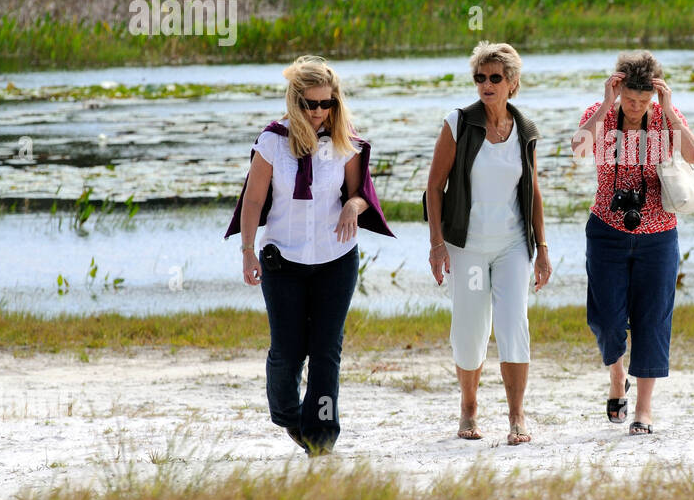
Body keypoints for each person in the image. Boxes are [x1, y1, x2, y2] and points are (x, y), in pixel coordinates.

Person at [225, 55, 395, 456]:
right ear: (294, 102)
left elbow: (359, 194)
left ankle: (321, 438)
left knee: (325, 350)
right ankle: (288, 417)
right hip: (282, 259)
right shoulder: (271, 142)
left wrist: (354, 207)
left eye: (327, 104)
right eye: (311, 104)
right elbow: (252, 201)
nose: (319, 112)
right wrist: (248, 251)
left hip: (336, 259)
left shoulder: (344, 141)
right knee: (287, 352)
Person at [424, 41, 552, 445]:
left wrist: (542, 248)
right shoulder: (459, 123)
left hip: (513, 245)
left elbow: (532, 188)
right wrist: (437, 244)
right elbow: (434, 186)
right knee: (470, 326)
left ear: (512, 83)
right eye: (480, 77)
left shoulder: (525, 130)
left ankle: (517, 416)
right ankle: (469, 407)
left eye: (495, 77)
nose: (486, 84)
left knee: (514, 324)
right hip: (470, 247)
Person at [573, 50, 694, 434]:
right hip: (607, 231)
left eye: (642, 101)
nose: (635, 107)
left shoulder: (663, 117)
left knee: (653, 319)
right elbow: (578, 150)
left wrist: (669, 108)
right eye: (630, 99)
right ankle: (617, 377)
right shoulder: (602, 112)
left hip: (658, 234)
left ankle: (643, 410)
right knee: (607, 318)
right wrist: (608, 104)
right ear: (619, 88)